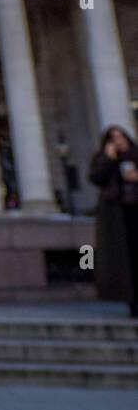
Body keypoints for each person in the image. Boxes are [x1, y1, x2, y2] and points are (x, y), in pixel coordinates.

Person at [87, 125, 138, 316]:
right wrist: (108, 158)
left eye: (121, 136)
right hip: (118, 217)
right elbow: (95, 178)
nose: (118, 141)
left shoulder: (135, 155)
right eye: (113, 138)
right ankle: (131, 302)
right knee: (124, 262)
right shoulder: (105, 159)